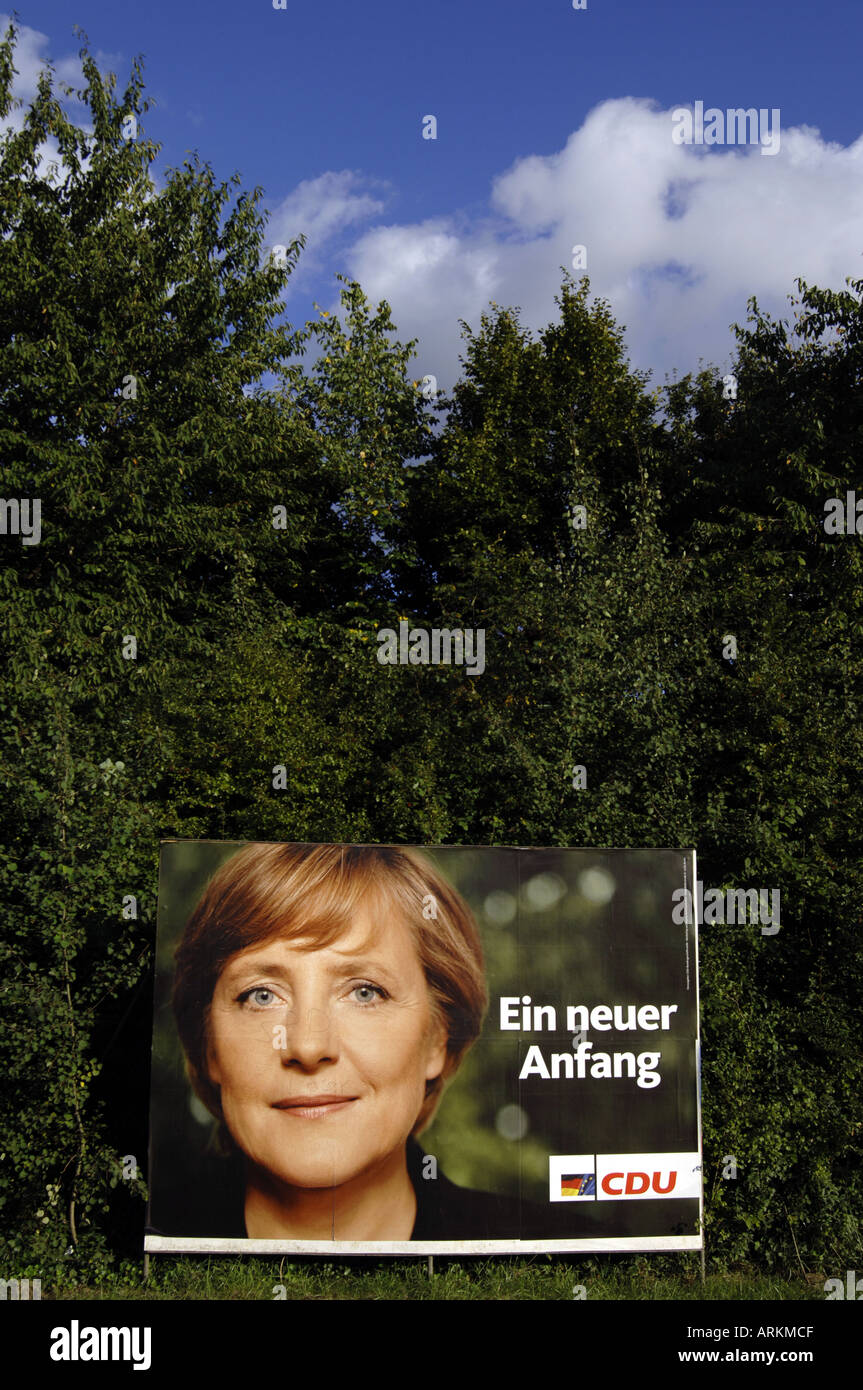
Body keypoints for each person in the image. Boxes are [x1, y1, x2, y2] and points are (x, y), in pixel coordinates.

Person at [168, 842, 524, 1240]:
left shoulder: (550, 1252)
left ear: (437, 1038)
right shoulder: (136, 1239)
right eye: (261, 995)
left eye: (364, 992)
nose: (308, 1047)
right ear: (209, 1044)